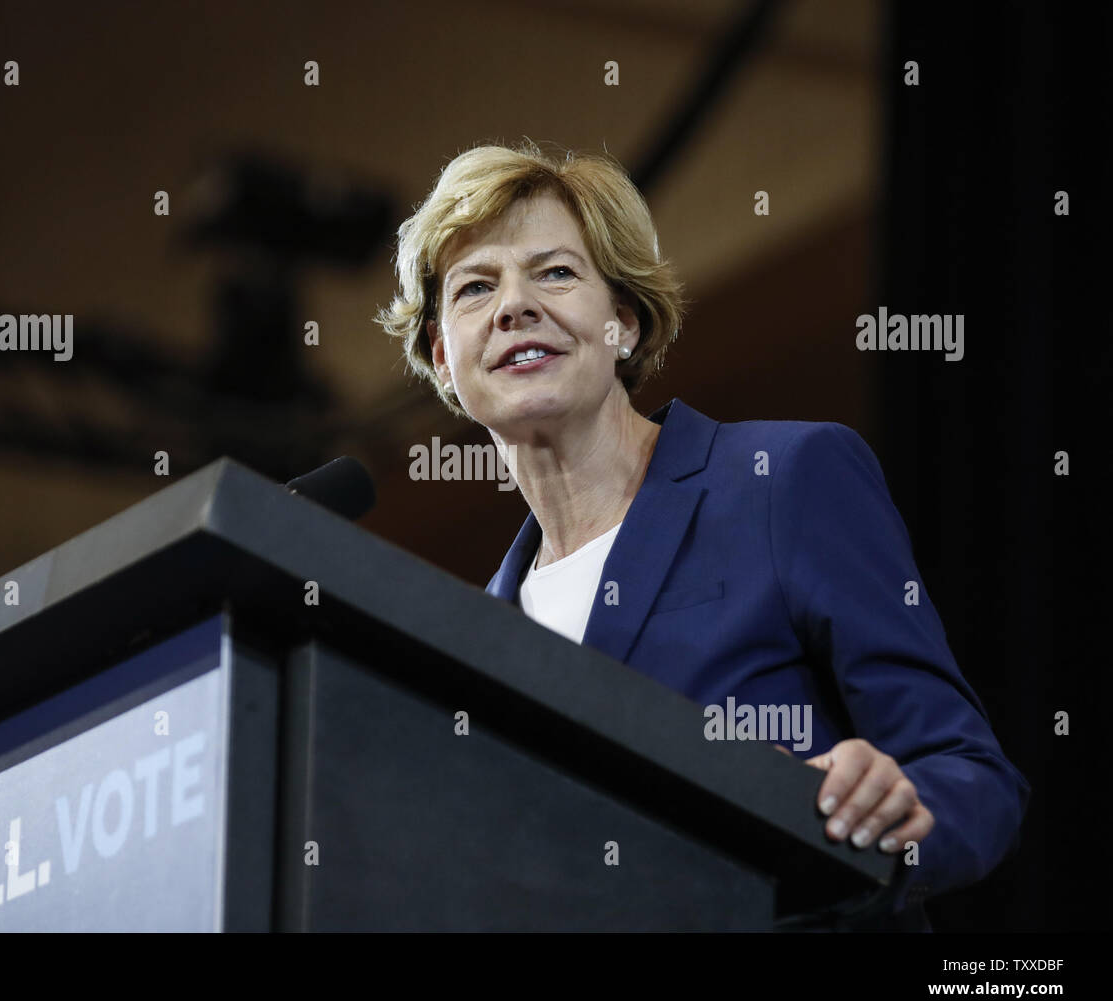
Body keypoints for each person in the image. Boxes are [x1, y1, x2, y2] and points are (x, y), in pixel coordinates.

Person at [374, 139, 1029, 930]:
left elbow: (972, 776)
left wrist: (891, 817)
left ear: (622, 320)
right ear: (445, 359)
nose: (513, 305)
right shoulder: (469, 641)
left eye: (554, 272)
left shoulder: (782, 481)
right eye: (476, 287)